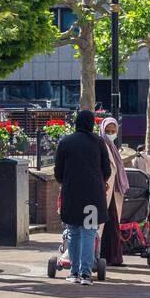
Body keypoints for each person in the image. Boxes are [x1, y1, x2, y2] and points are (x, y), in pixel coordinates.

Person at [53, 109, 112, 286]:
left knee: (73, 232)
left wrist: (66, 181)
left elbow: (58, 172)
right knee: (89, 232)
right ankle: (86, 274)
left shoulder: (66, 142)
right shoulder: (99, 142)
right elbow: (107, 170)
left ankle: (74, 272)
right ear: (91, 124)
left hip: (72, 195)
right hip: (93, 196)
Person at [99, 117, 129, 267]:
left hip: (111, 193)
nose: (110, 134)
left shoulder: (112, 146)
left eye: (113, 131)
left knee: (111, 226)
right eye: (107, 131)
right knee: (107, 226)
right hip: (105, 191)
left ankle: (111, 257)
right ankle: (108, 257)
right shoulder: (102, 145)